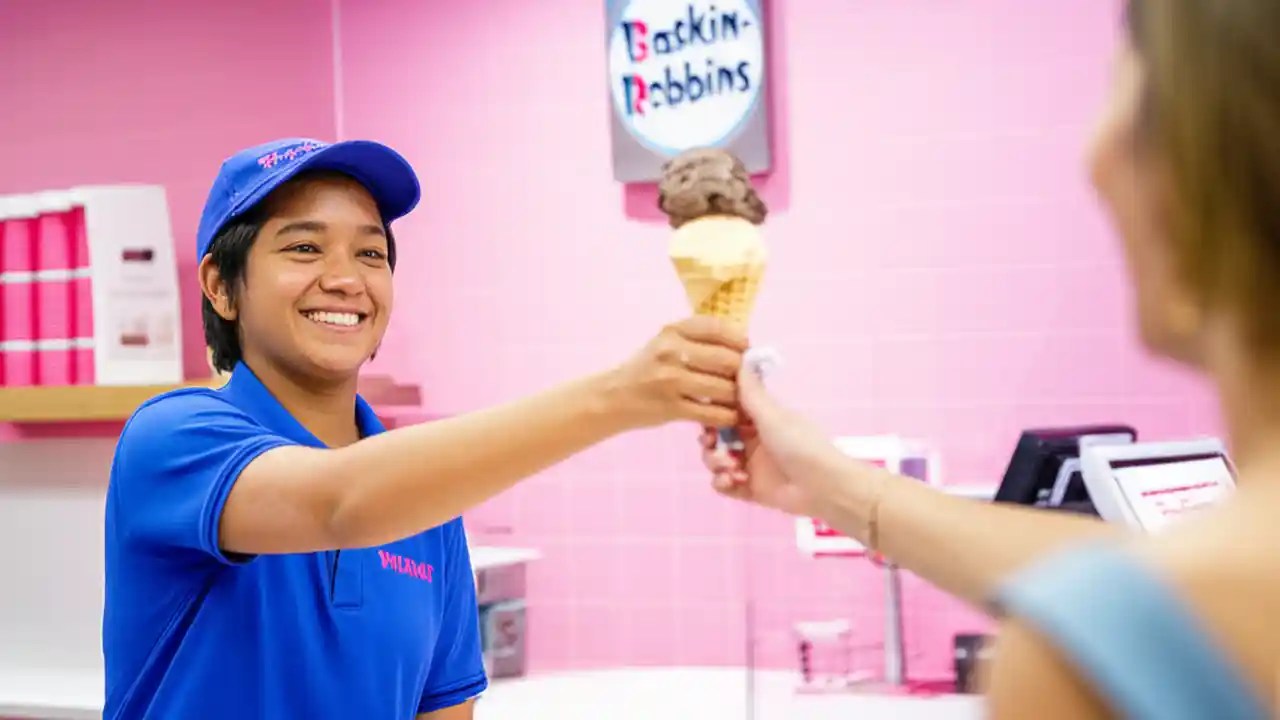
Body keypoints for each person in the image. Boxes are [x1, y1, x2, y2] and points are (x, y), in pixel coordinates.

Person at [703, 0, 1279, 717]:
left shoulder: (1080, 668)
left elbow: (1144, 613)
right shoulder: (1163, 611)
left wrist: (1090, 632)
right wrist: (834, 490)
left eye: (1129, 98)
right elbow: (1146, 587)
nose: (1095, 162)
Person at [102, 138, 749, 720]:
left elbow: (443, 710)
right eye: (304, 248)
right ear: (221, 286)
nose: (345, 280)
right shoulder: (174, 440)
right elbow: (339, 503)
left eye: (370, 253)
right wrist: (620, 396)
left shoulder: (424, 506)